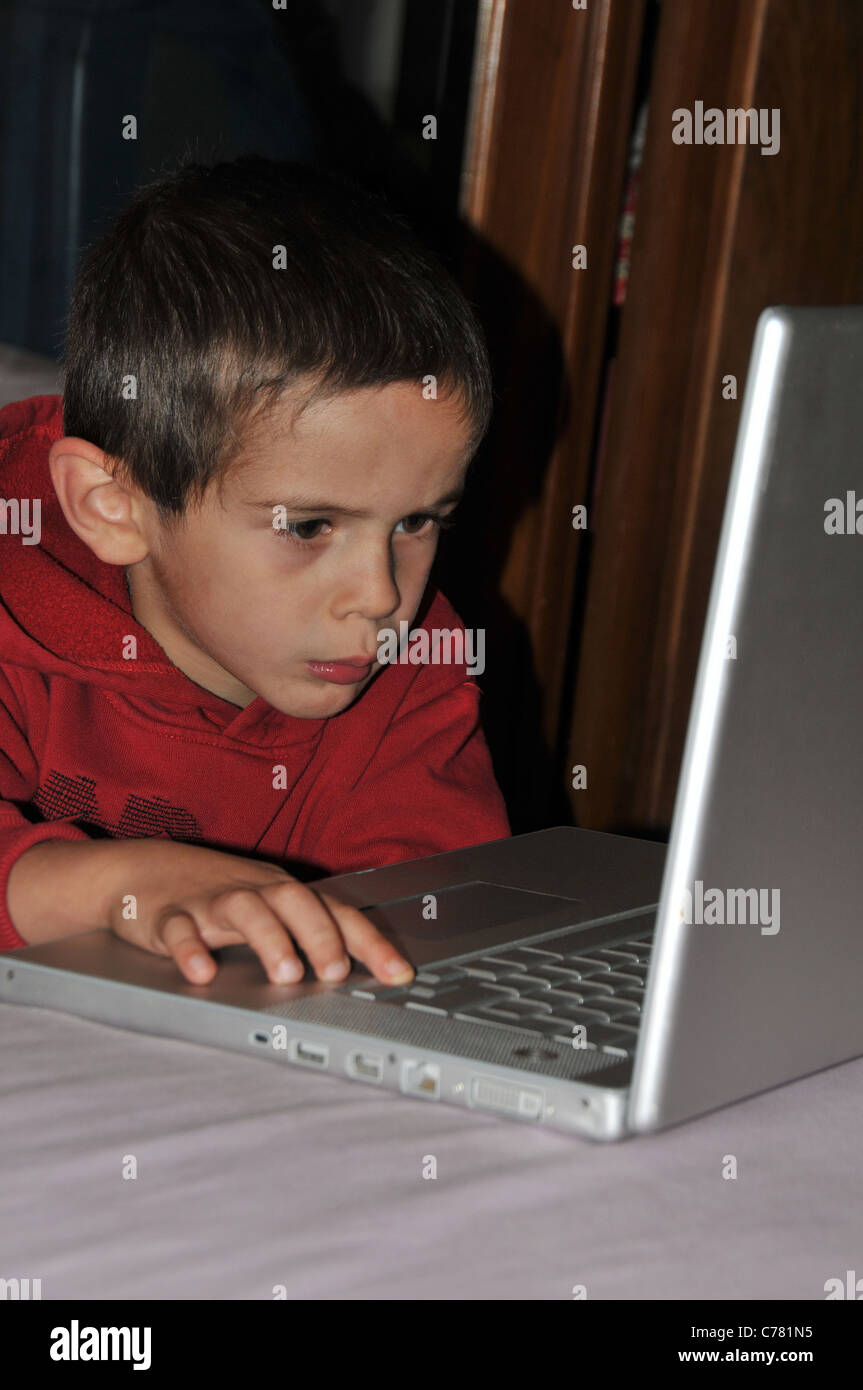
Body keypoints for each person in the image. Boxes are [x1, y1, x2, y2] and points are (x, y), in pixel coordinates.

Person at [0, 156, 510, 989]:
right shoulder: (11, 606)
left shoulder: (412, 675)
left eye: (417, 521)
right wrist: (122, 890)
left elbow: (440, 932)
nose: (380, 597)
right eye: (309, 526)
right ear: (112, 506)